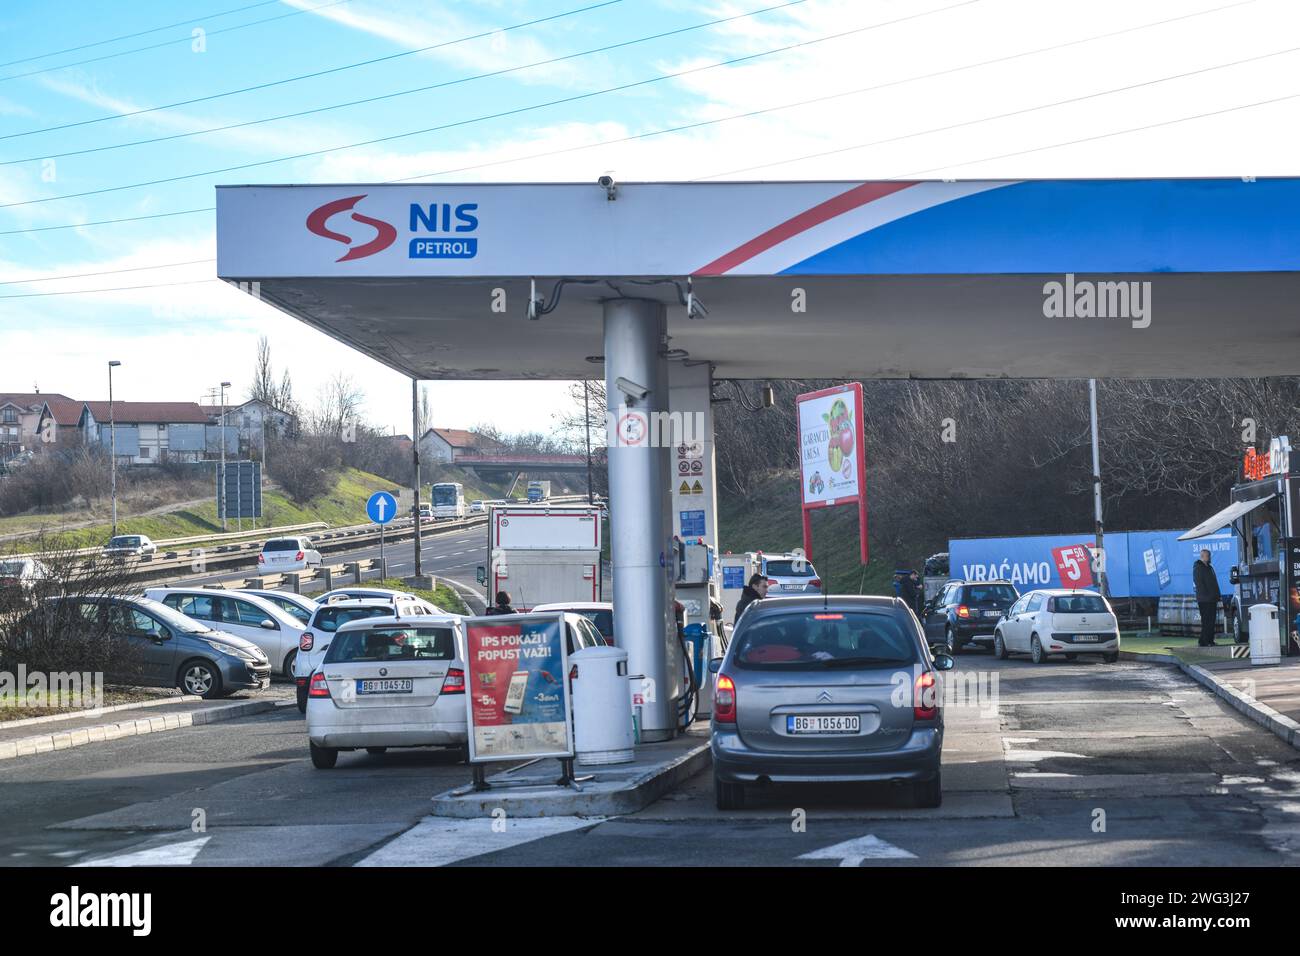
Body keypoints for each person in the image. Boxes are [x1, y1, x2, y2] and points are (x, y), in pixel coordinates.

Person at [1193, 549, 1221, 647]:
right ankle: (1204, 641)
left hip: (1212, 598)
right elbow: (1199, 584)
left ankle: (1209, 640)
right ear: (1202, 556)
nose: (1209, 557)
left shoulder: (1209, 567)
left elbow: (1214, 582)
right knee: (1206, 620)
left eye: (1209, 555)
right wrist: (1208, 595)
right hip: (1204, 599)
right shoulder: (1198, 567)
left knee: (1211, 620)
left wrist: (1217, 595)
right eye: (1207, 556)